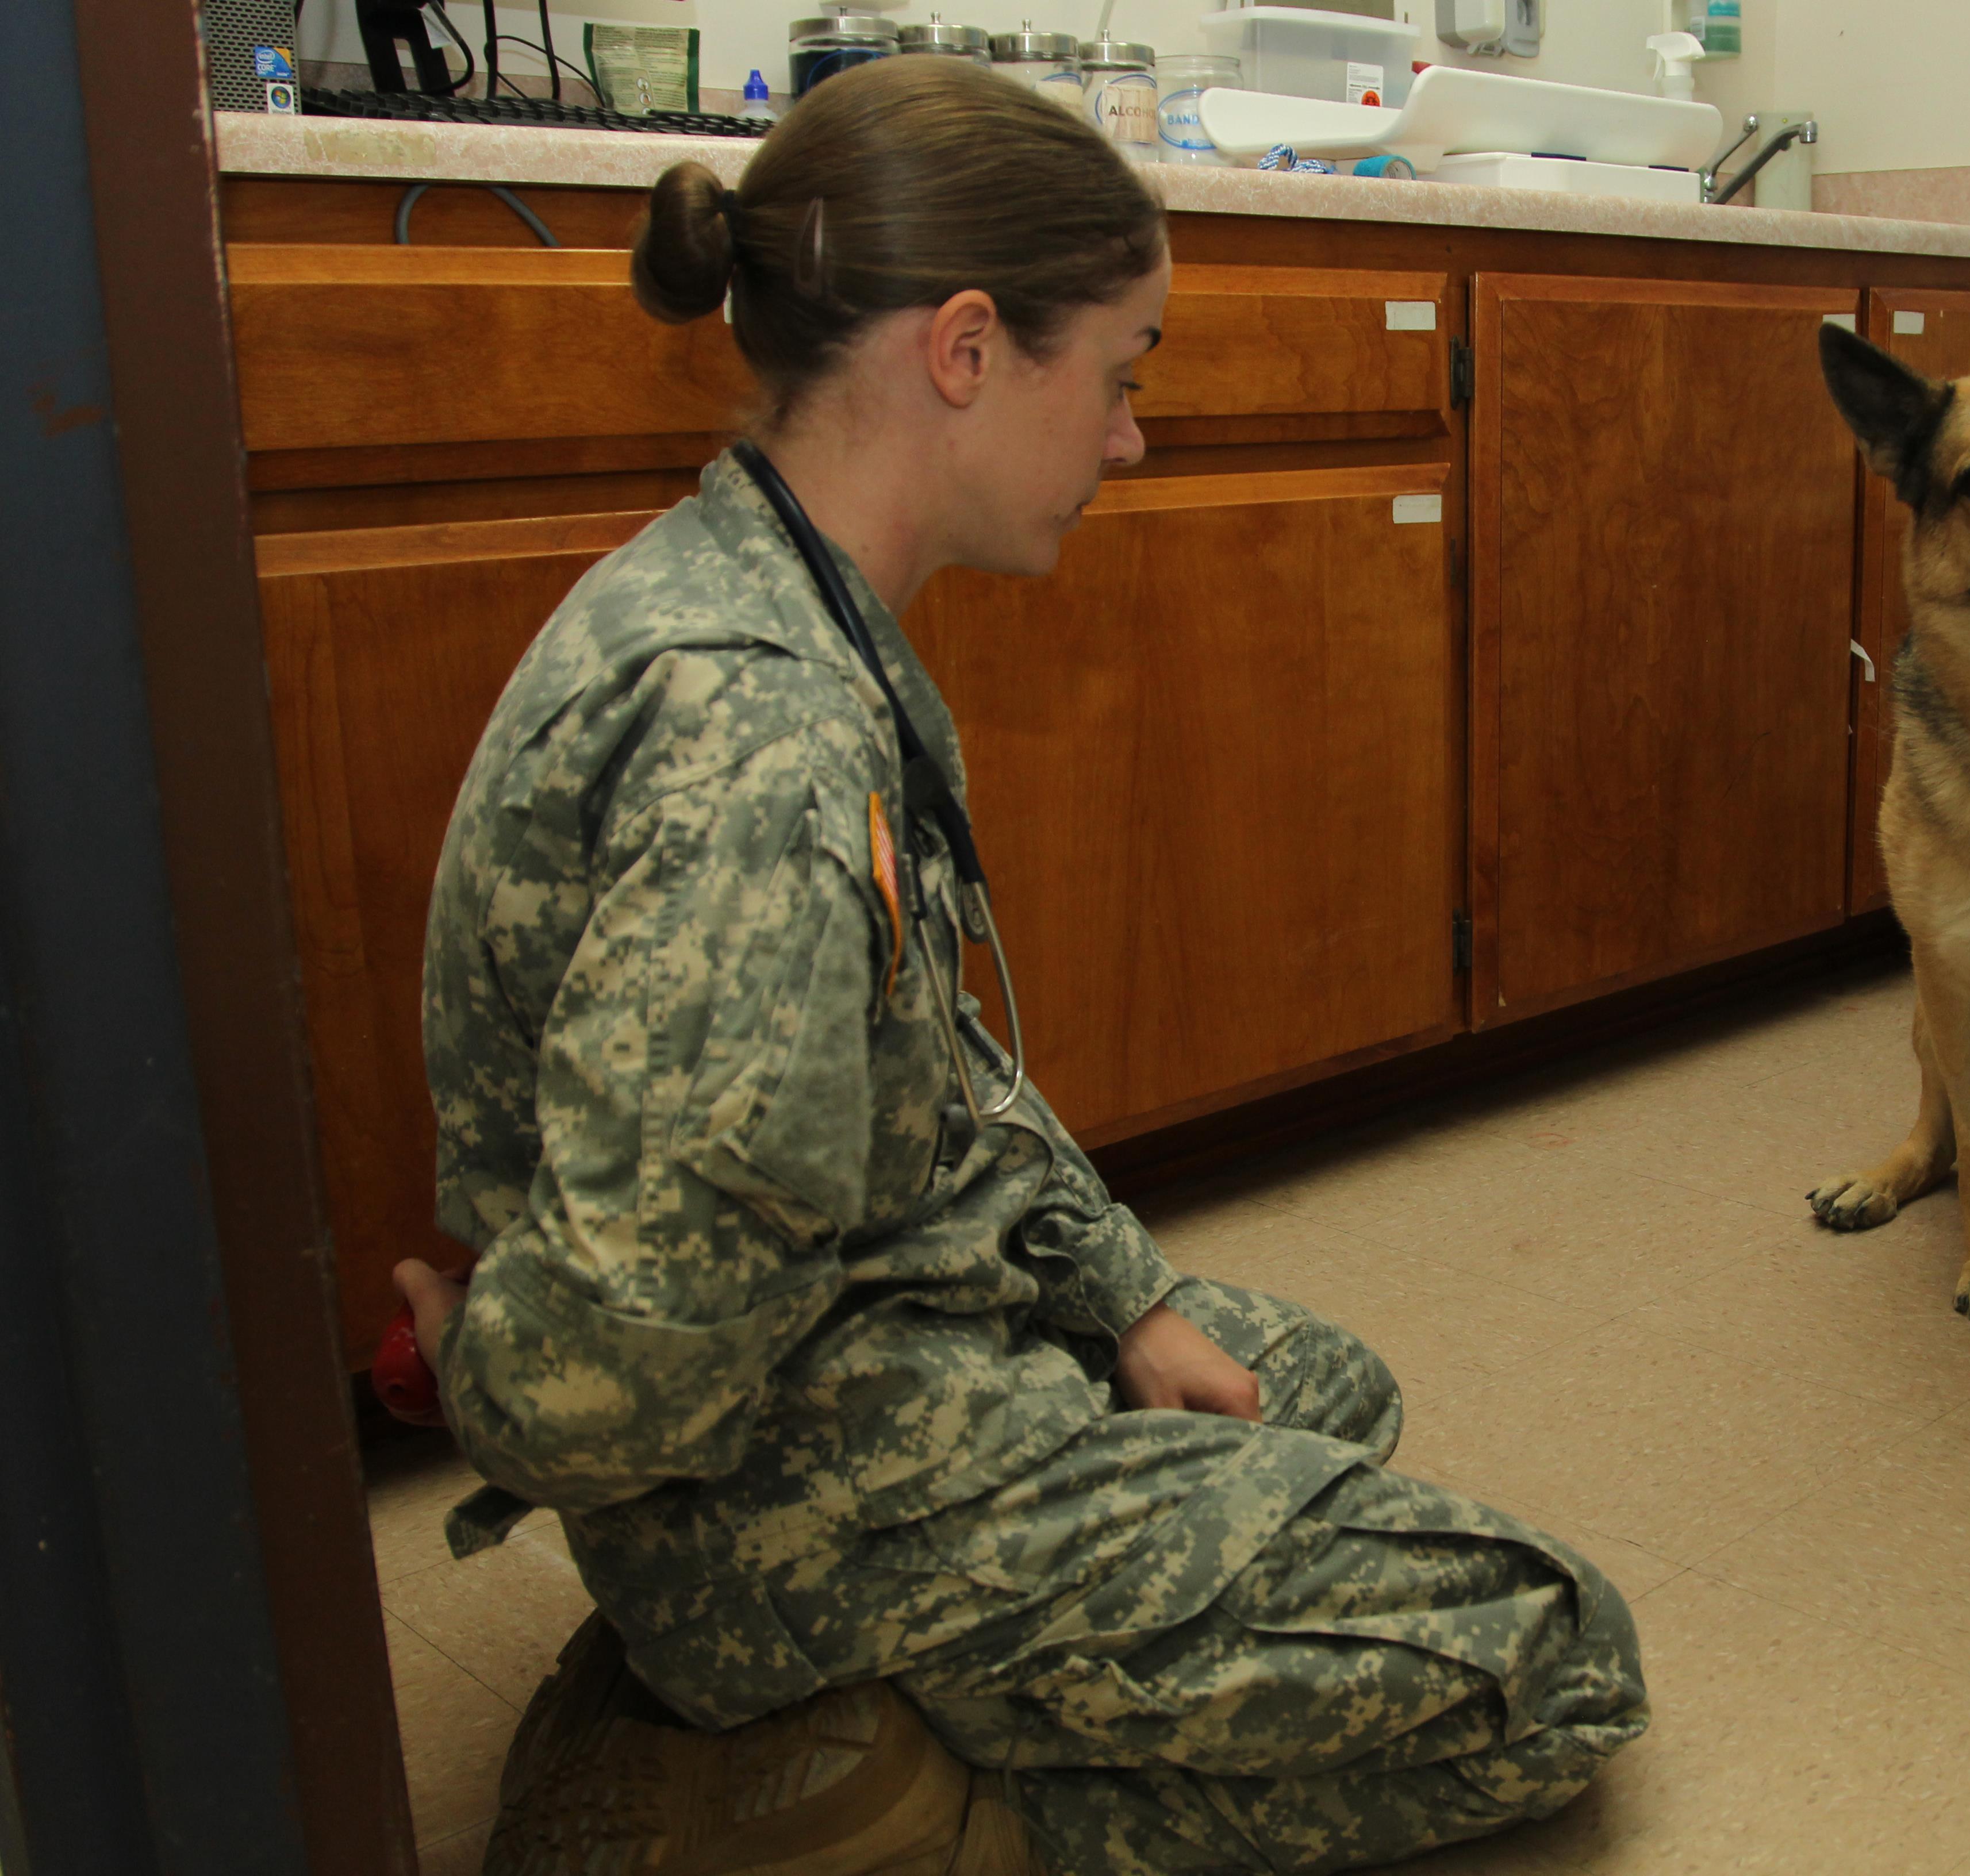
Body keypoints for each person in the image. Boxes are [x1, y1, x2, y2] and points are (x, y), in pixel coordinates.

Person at [391, 57, 1645, 1875]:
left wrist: (1124, 1299)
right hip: (780, 1475)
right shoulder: (759, 744)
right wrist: (486, 1372)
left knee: (1317, 1390)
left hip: (860, 1340)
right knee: (1551, 1661)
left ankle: (819, 1712)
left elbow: (934, 1070)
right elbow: (623, 1372)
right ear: (967, 350)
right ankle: (849, 1794)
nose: (1132, 438)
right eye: (1122, 374)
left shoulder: (791, 610)